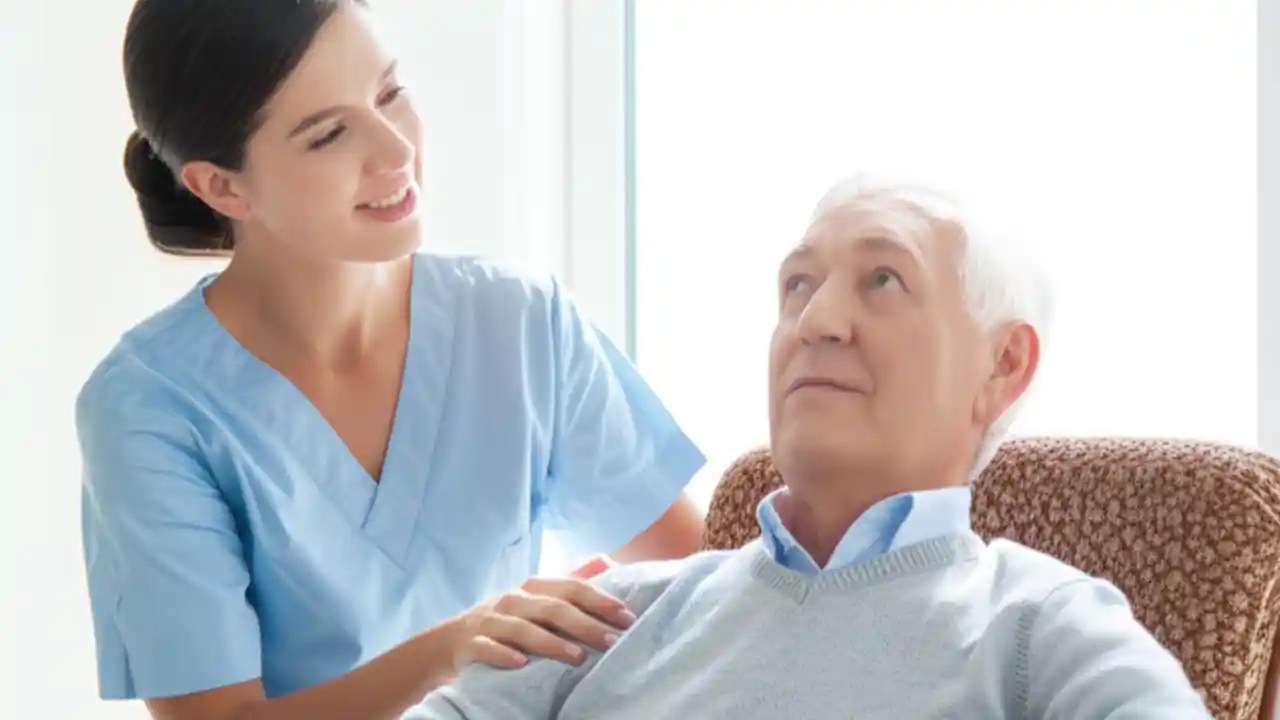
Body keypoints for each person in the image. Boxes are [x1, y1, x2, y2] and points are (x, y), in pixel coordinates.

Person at [76, 2, 707, 718]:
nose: (395, 150)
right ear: (222, 185)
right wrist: (450, 651)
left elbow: (709, 589)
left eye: (389, 93)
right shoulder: (151, 407)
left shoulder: (521, 325)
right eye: (329, 134)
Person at [406, 179, 1212, 719]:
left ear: (1001, 366)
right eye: (797, 285)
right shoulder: (608, 617)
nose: (816, 321)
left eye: (883, 280)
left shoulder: (1041, 625)